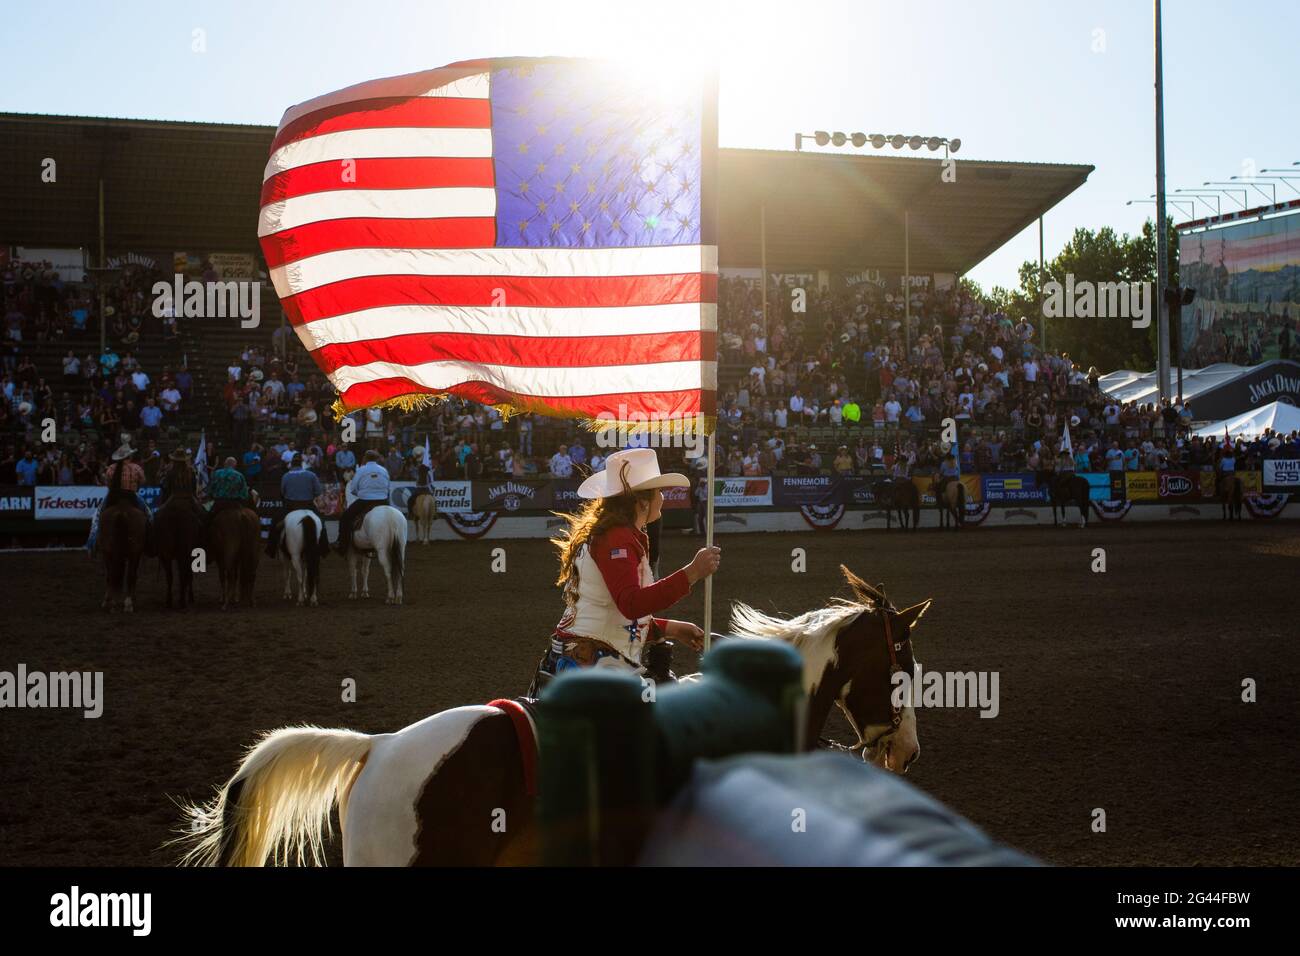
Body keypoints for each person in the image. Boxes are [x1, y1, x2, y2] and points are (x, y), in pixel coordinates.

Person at [533, 447, 721, 693]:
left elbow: (613, 613)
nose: (663, 497)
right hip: (597, 667)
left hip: (579, 660)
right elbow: (630, 604)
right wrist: (692, 573)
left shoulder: (613, 534)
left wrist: (671, 628)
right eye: (658, 491)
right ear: (642, 502)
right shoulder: (618, 538)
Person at [87, 443, 153, 555]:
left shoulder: (111, 468)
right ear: (130, 456)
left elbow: (108, 484)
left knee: (97, 517)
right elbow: (143, 481)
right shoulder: (136, 468)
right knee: (149, 514)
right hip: (132, 495)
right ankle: (151, 542)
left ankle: (93, 544)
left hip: (114, 496)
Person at [267, 452, 324, 557]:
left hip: (290, 506)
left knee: (275, 522)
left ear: (292, 465)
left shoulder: (286, 476)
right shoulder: (311, 475)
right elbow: (318, 492)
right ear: (301, 465)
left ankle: (271, 548)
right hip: (308, 505)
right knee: (321, 522)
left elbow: (282, 492)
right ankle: (324, 548)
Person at [337, 449, 390, 553]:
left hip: (365, 501)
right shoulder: (383, 470)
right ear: (377, 459)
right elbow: (388, 487)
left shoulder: (361, 470)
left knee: (345, 518)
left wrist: (361, 494)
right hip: (383, 501)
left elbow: (353, 489)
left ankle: (342, 545)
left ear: (365, 458)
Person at [407, 445, 434, 518]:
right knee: (433, 499)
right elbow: (430, 479)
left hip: (420, 489)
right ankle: (434, 514)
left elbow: (415, 476)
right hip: (426, 489)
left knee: (410, 500)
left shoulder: (419, 466)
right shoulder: (426, 465)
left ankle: (410, 513)